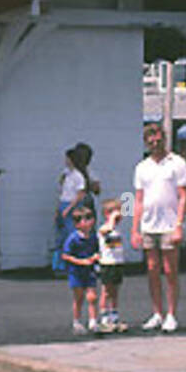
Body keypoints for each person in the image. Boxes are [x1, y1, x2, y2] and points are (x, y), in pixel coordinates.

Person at [131, 122, 186, 333]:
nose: (155, 144)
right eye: (151, 141)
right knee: (152, 269)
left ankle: (172, 314)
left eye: (158, 140)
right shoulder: (142, 167)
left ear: (164, 139)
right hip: (148, 224)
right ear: (146, 143)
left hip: (169, 224)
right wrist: (134, 229)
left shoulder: (177, 163)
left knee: (170, 270)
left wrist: (179, 225)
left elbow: (183, 196)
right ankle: (157, 313)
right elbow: (138, 200)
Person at [51, 143, 98, 273]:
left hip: (79, 203)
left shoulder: (84, 174)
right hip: (65, 202)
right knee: (61, 235)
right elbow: (62, 190)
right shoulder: (67, 174)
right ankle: (60, 265)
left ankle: (83, 262)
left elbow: (86, 191)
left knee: (78, 233)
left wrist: (70, 208)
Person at [60, 207, 100, 335]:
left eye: (90, 218)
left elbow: (97, 250)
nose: (89, 222)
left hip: (89, 271)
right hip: (76, 272)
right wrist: (80, 261)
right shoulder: (73, 238)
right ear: (77, 224)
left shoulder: (93, 237)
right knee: (79, 297)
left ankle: (93, 321)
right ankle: (77, 322)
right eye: (86, 219)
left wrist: (95, 257)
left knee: (92, 297)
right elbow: (65, 255)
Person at [96, 198, 128, 332]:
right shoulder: (104, 228)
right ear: (107, 214)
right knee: (106, 291)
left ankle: (114, 316)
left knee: (115, 290)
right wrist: (111, 220)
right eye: (115, 213)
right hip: (107, 264)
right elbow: (106, 230)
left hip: (117, 263)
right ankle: (104, 318)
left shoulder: (117, 230)